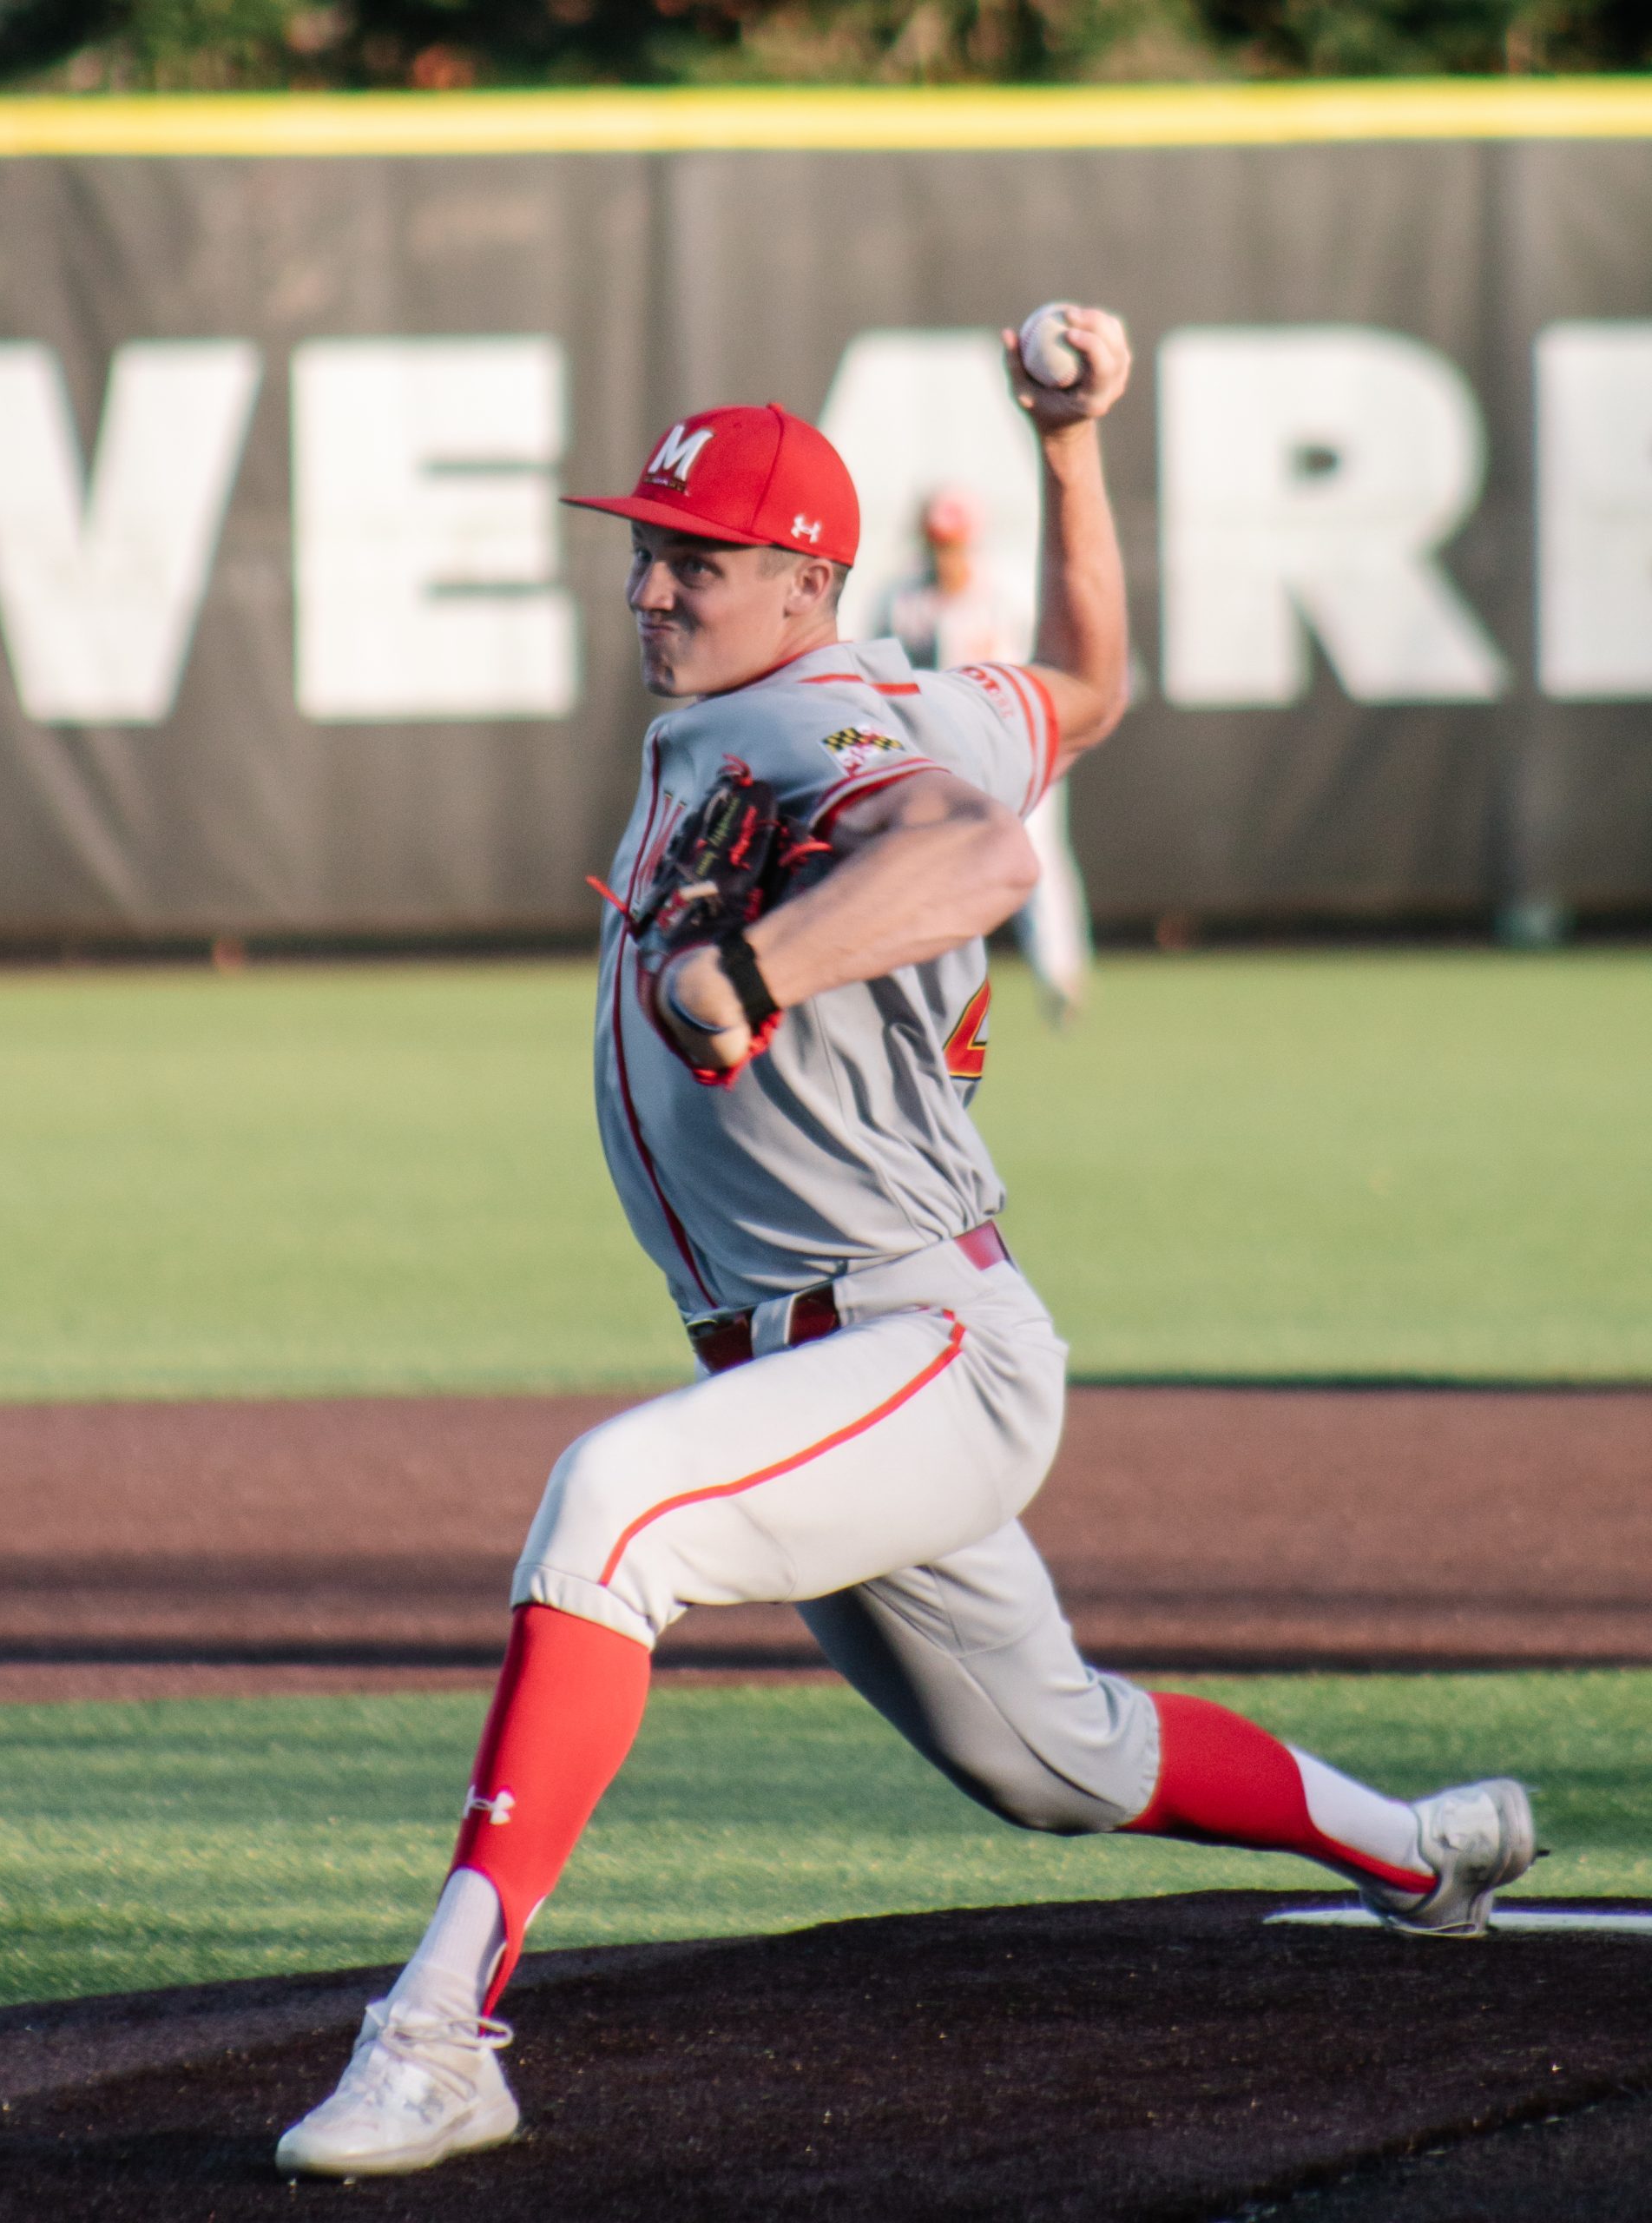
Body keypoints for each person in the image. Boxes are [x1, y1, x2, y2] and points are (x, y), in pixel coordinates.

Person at [276, 310, 1536, 2180]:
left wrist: (761, 961)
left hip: (916, 1340)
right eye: (643, 544)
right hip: (835, 1364)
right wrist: (1072, 441)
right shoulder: (897, 698)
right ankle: (1419, 1846)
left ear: (802, 581)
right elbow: (1090, 688)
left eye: (694, 557)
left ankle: (442, 2029)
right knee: (1058, 1756)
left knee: (611, 1506)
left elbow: (987, 860)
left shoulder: (810, 719)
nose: (652, 582)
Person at [881, 485, 1093, 1020]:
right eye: (936, 544)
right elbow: (874, 674)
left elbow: (1057, 667)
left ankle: (1062, 977)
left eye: (953, 544)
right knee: (927, 864)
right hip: (939, 756)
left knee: (1039, 858)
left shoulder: (1009, 595)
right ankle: (924, 987)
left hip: (1017, 749)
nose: (944, 556)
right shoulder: (903, 600)